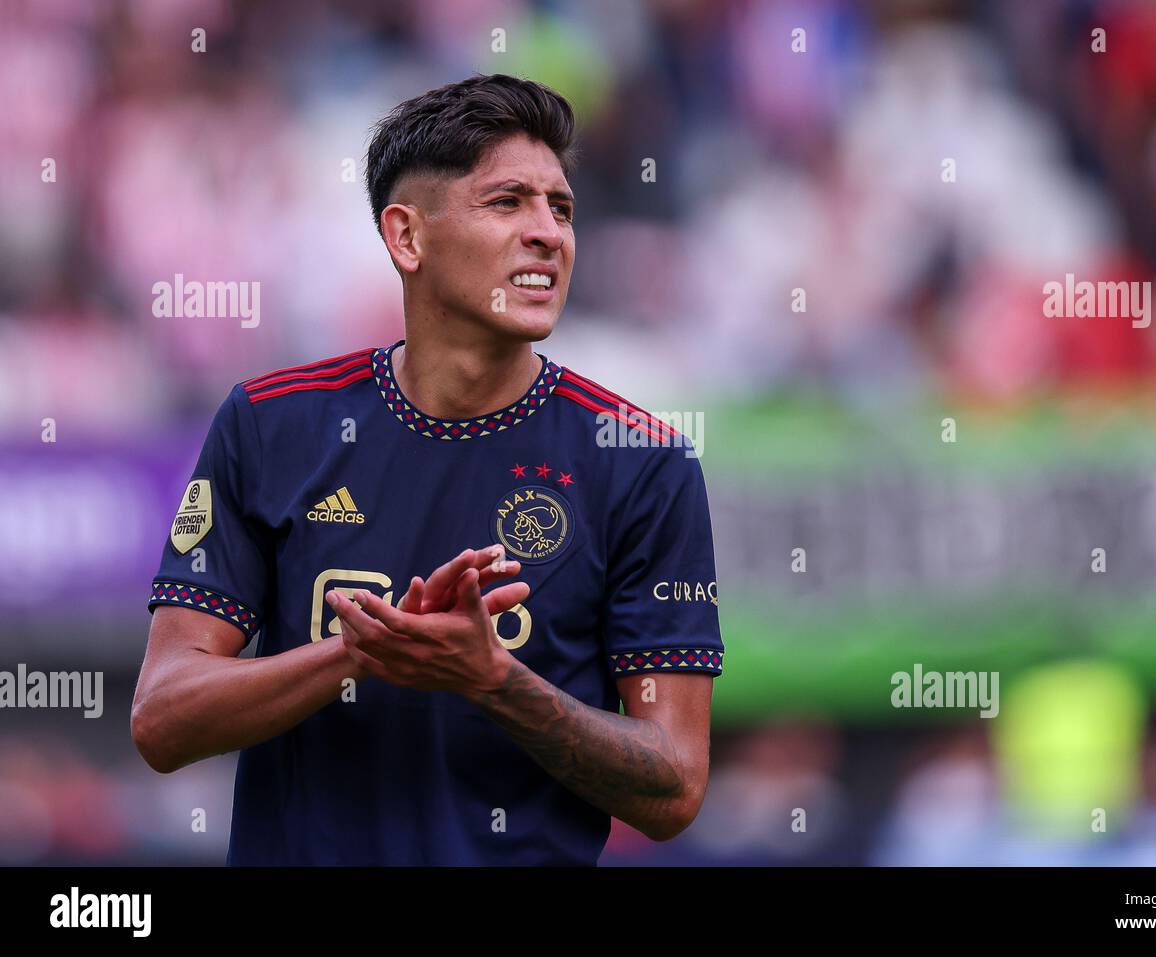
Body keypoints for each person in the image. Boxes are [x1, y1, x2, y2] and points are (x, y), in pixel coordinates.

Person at [131, 74, 724, 865]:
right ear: (406, 237)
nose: (549, 232)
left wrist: (491, 677)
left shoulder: (643, 461)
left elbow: (676, 786)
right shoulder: (271, 423)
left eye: (562, 207)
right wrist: (358, 651)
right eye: (508, 202)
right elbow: (163, 719)